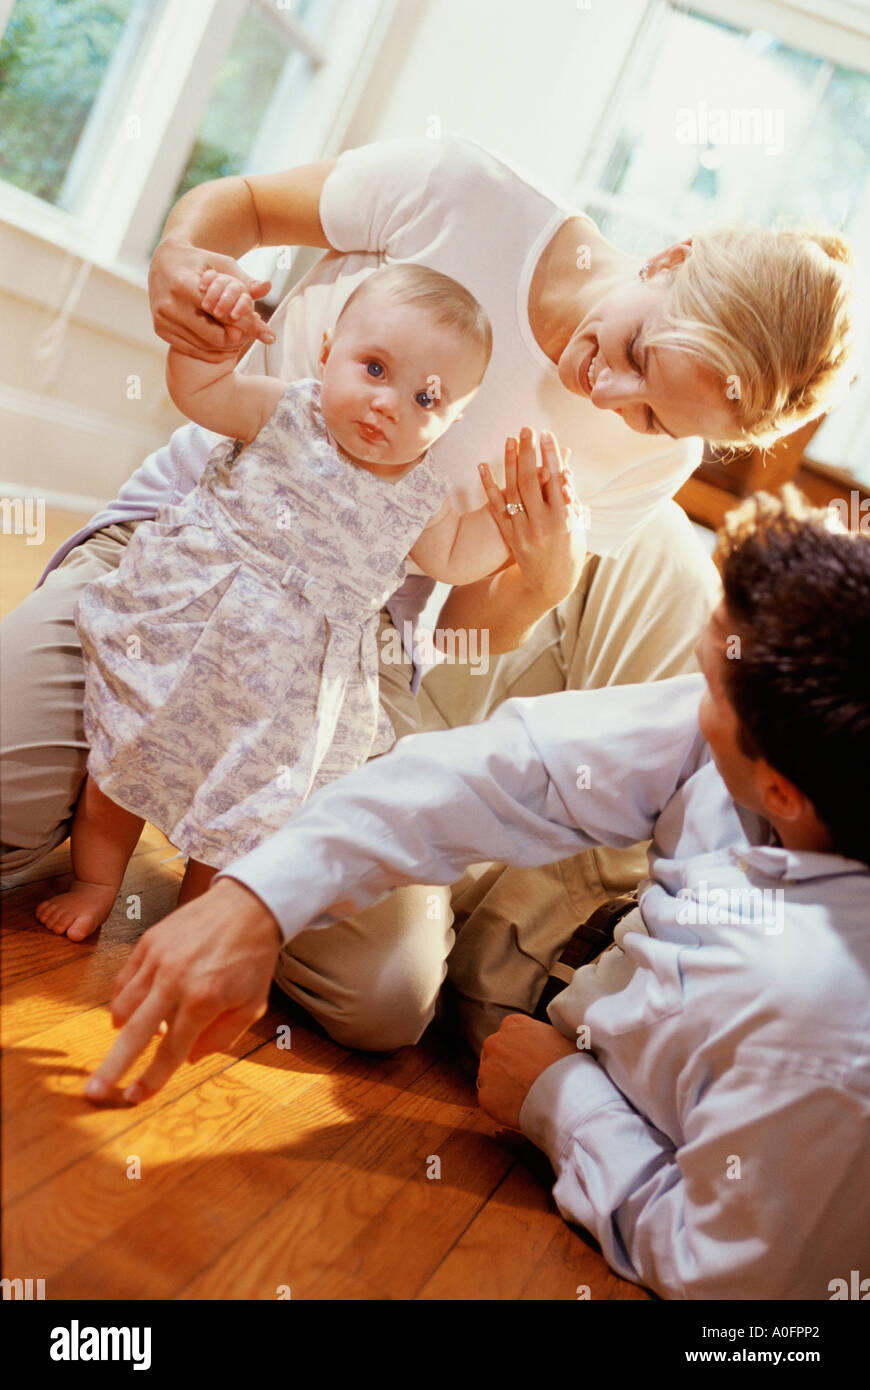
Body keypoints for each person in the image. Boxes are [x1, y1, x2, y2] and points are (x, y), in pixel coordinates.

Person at [1, 133, 857, 1050]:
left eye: (649, 411)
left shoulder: (657, 455)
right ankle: (115, 811)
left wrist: (544, 580)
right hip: (191, 553)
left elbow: (463, 634)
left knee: (383, 1000)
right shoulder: (467, 190)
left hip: (345, 659)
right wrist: (183, 258)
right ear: (671, 258)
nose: (608, 393)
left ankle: (203, 856)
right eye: (639, 354)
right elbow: (241, 205)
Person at [84, 491, 870, 1301]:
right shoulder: (779, 741)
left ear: (779, 791)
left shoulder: (824, 1035)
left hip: (536, 1020)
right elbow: (504, 771)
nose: (688, 695)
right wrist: (256, 901)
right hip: (577, 920)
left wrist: (561, 1100)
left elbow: (731, 1280)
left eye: (708, 686)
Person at [36, 262, 574, 939]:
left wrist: (515, 517)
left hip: (286, 691)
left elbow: (458, 559)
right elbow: (201, 395)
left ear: (454, 420)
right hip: (193, 625)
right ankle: (95, 882)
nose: (387, 404)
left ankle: (189, 931)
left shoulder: (420, 496)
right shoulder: (281, 408)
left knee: (242, 826)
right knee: (127, 759)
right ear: (327, 352)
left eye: (425, 400)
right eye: (374, 369)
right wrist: (206, 354)